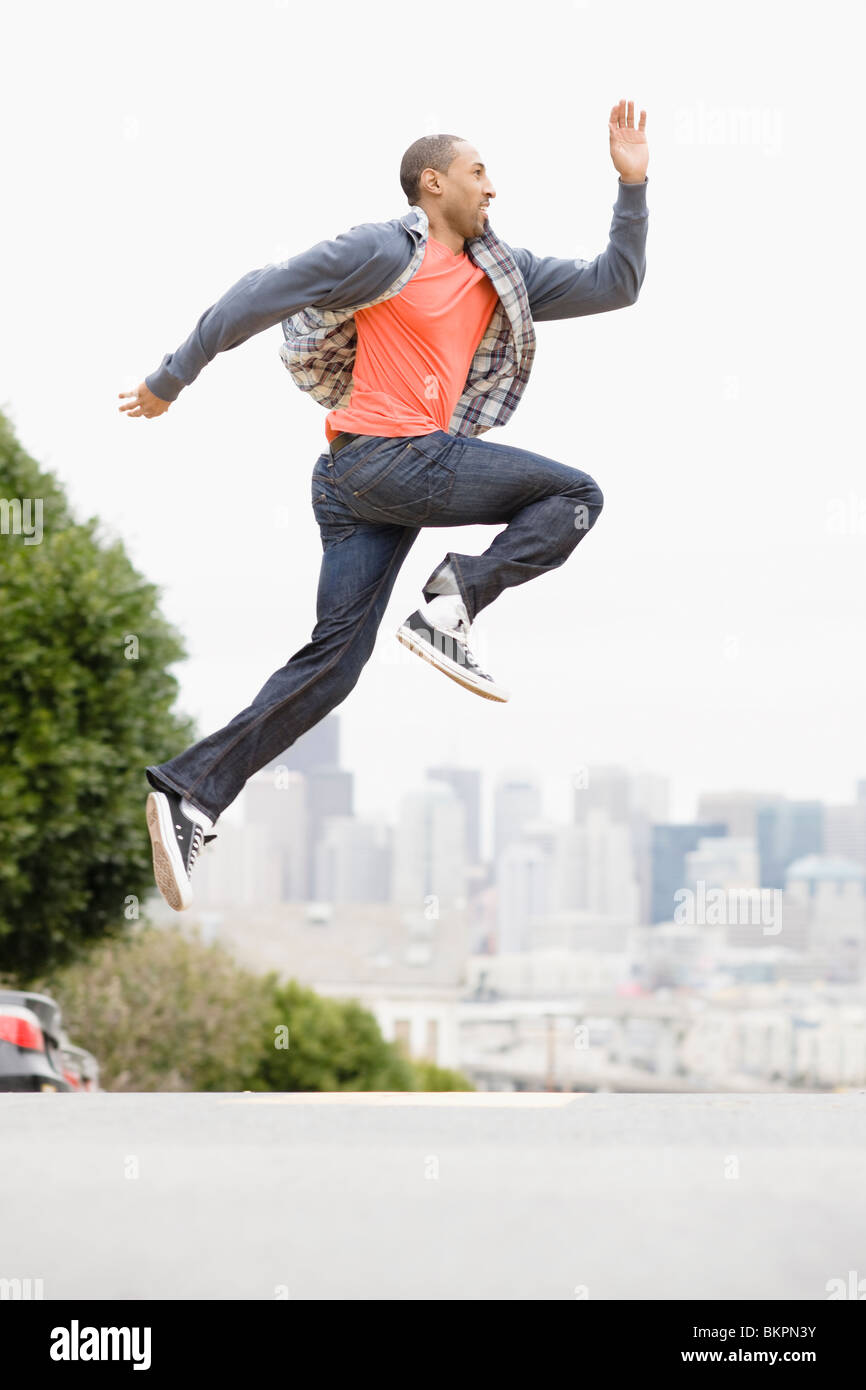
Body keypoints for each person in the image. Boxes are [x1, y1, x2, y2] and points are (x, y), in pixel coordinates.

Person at [119, 98, 650, 911]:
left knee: (334, 666)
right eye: (479, 173)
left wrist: (632, 188)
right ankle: (453, 604)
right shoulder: (379, 250)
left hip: (356, 484)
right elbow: (253, 296)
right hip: (388, 459)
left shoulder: (501, 272)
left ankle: (190, 792)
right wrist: (170, 377)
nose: (492, 190)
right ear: (431, 183)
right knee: (576, 494)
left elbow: (617, 285)